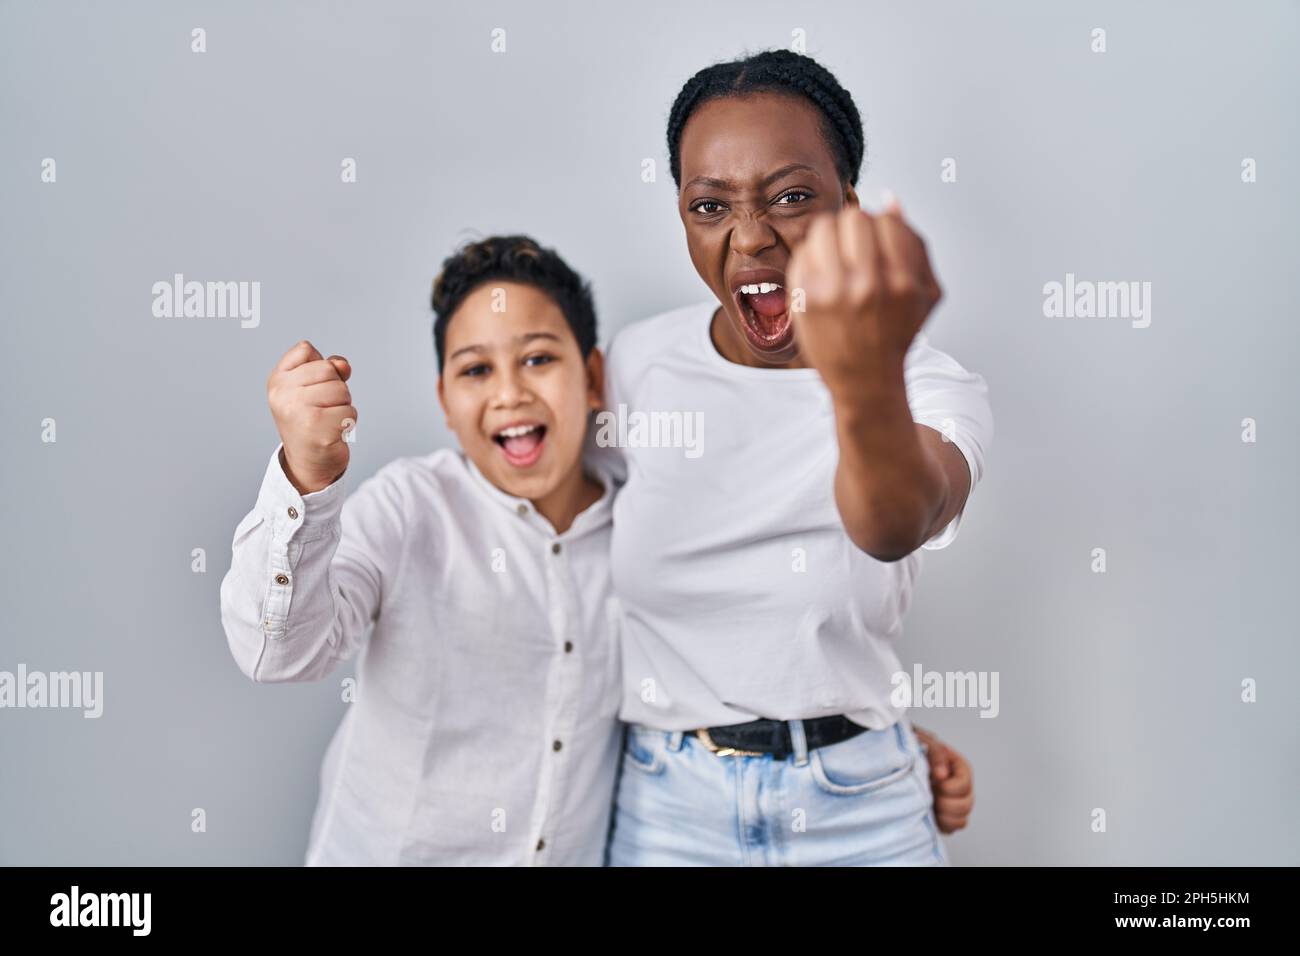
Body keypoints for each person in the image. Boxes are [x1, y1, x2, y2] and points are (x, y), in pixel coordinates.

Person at [603, 50, 992, 866]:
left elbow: (894, 524)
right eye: (710, 206)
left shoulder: (921, 382)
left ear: (848, 206)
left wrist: (861, 374)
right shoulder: (636, 365)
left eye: (790, 197)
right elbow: (554, 558)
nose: (750, 237)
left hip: (862, 809)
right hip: (666, 810)